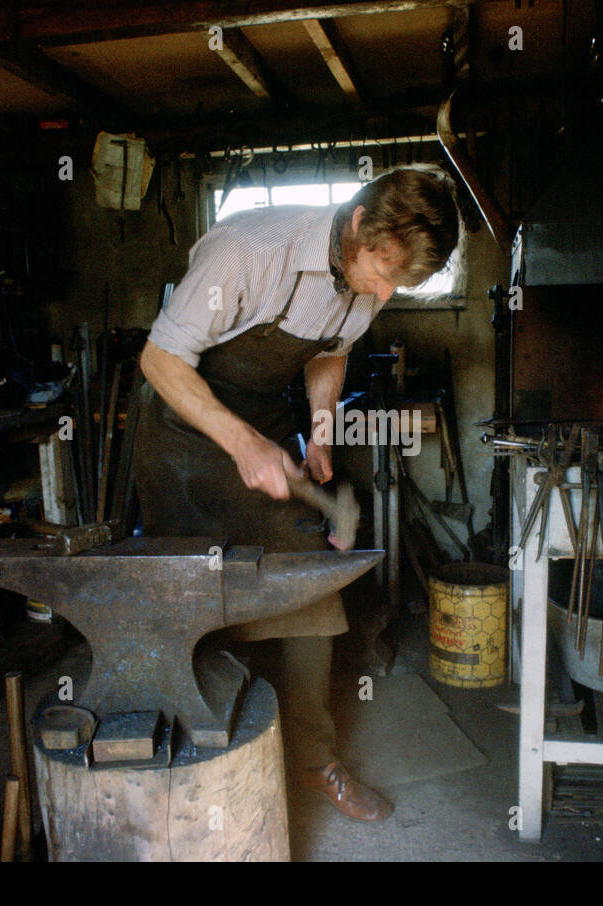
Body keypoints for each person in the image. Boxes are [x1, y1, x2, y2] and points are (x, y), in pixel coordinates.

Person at [134, 164, 461, 821]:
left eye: (399, 283)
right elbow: (160, 361)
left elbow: (329, 353)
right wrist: (242, 444)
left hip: (264, 419)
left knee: (308, 569)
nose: (383, 290)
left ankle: (313, 761)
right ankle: (200, 754)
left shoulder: (371, 280)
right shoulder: (249, 253)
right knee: (200, 583)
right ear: (360, 222)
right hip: (184, 431)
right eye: (382, 270)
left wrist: (318, 435)